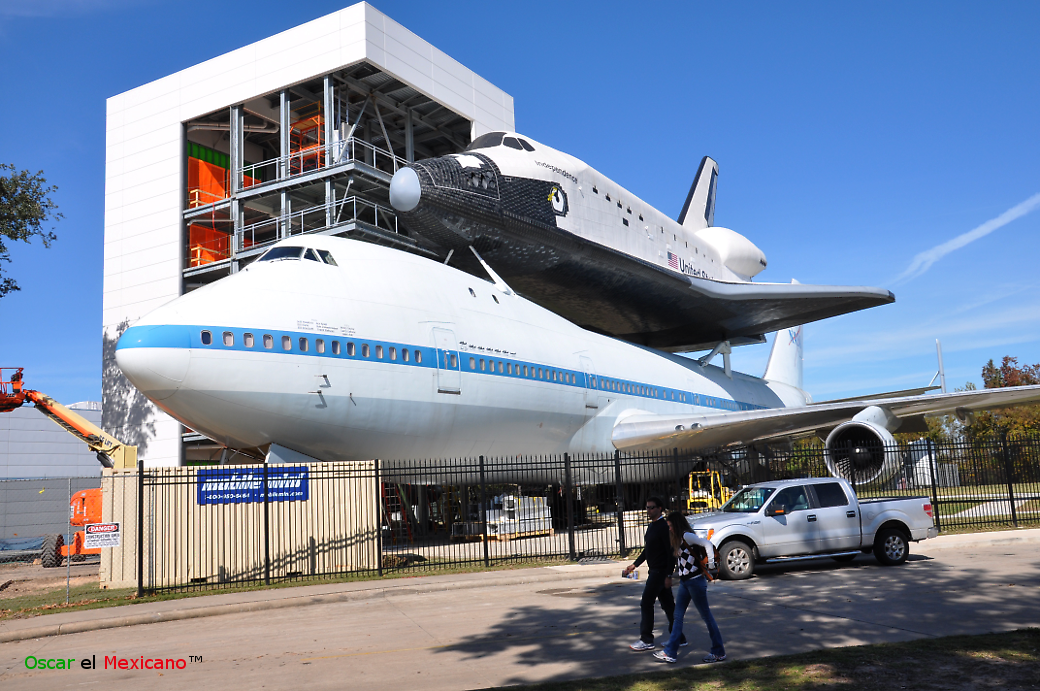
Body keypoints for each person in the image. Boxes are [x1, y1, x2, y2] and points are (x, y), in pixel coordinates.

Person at [653, 511, 726, 664]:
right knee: (677, 617)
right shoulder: (677, 538)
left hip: (695, 581)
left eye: (671, 526)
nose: (670, 529)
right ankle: (670, 652)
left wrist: (711, 563)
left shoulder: (687, 535)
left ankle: (718, 651)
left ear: (678, 524)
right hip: (685, 582)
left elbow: (706, 543)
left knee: (706, 616)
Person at [622, 496, 687, 651]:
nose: (649, 510)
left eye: (652, 507)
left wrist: (668, 575)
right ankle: (679, 638)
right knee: (669, 606)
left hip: (660, 572)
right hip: (655, 571)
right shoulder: (652, 526)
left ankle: (646, 639)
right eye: (647, 507)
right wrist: (634, 565)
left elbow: (671, 552)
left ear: (660, 509)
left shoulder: (664, 527)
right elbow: (647, 550)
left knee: (646, 603)